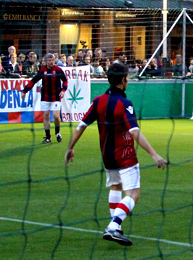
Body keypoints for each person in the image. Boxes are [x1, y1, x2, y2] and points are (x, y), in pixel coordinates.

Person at [64, 62, 168, 246]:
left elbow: (81, 126)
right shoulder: (125, 103)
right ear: (123, 79)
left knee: (116, 188)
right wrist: (154, 154)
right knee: (134, 193)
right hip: (125, 156)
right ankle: (113, 226)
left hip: (107, 156)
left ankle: (116, 229)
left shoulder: (98, 101)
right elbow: (135, 131)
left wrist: (70, 147)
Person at [23, 53, 68, 143]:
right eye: (49, 60)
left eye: (52, 60)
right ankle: (48, 137)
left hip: (56, 95)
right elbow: (33, 81)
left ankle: (57, 133)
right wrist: (25, 91)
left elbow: (65, 81)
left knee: (56, 116)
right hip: (45, 96)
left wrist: (63, 90)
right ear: (45, 61)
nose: (51, 62)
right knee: (46, 116)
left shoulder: (58, 70)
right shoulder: (42, 70)